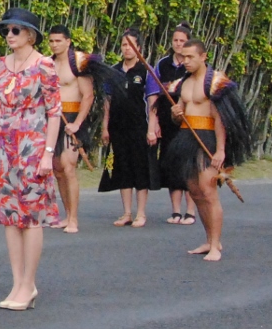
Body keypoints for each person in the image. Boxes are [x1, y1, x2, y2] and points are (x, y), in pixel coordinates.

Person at [0, 8, 62, 312]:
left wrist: (48, 153)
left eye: (16, 30)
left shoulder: (44, 65)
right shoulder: (1, 65)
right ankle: (17, 282)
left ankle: (29, 282)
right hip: (4, 146)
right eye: (6, 31)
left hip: (32, 145)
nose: (9, 36)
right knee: (10, 216)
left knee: (31, 217)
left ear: (30, 35)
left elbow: (54, 112)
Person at [162, 39, 253, 262]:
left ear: (203, 57)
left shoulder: (214, 82)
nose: (185, 61)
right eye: (183, 57)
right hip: (187, 137)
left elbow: (220, 119)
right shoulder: (183, 83)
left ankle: (215, 245)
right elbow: (179, 118)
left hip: (208, 138)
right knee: (194, 191)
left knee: (208, 190)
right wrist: (175, 114)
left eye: (190, 57)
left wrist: (220, 150)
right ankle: (209, 239)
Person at [99, 30, 158, 227]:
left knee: (140, 168)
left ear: (139, 48)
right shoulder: (114, 71)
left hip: (139, 127)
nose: (127, 49)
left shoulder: (146, 71)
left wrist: (152, 129)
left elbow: (152, 103)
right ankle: (127, 213)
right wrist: (105, 127)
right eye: (124, 45)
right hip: (118, 127)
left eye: (131, 45)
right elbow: (107, 101)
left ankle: (141, 213)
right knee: (122, 168)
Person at [46, 26, 97, 233]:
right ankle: (67, 215)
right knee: (57, 169)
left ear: (68, 41)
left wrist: (77, 123)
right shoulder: (48, 64)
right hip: (54, 118)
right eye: (51, 41)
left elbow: (88, 95)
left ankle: (74, 219)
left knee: (68, 167)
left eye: (58, 40)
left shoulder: (78, 62)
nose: (54, 45)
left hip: (73, 117)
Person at [148, 24, 198, 225]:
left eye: (182, 41)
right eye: (175, 40)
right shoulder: (162, 64)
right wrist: (154, 124)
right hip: (167, 119)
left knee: (189, 165)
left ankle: (190, 211)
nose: (178, 44)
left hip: (189, 120)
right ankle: (176, 211)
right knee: (172, 163)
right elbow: (154, 95)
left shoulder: (193, 65)